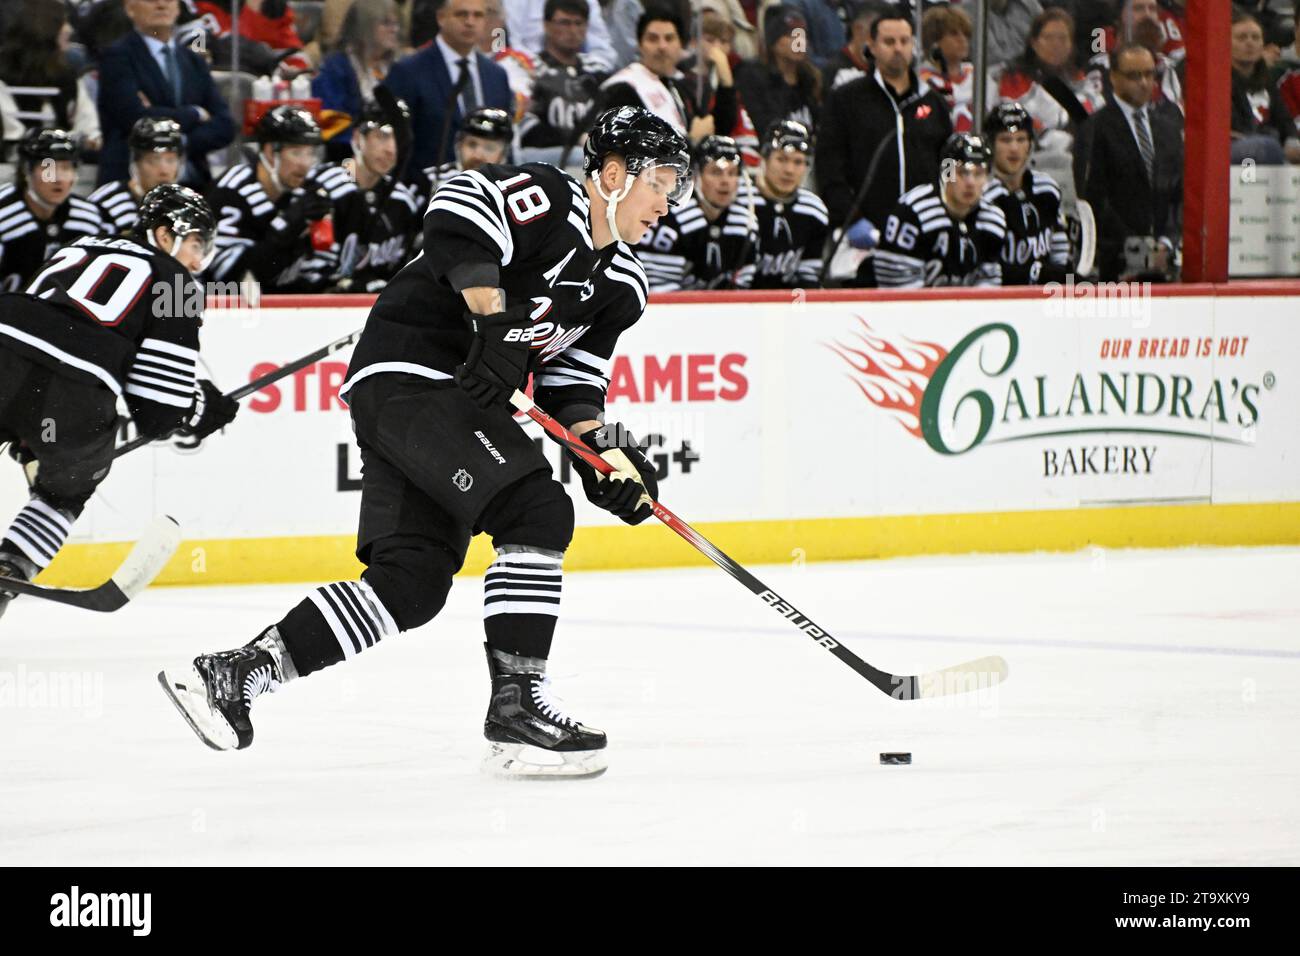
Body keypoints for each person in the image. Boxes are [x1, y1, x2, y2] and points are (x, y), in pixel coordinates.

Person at [158, 107, 691, 780]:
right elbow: (458, 206)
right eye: (661, 185)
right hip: (410, 375)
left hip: (438, 406)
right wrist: (492, 319)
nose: (667, 204)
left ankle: (240, 672)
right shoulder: (551, 198)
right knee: (537, 511)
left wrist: (606, 453)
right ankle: (518, 704)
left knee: (412, 585)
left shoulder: (621, 286)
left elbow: (572, 386)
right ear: (613, 176)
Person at [0, 184, 237, 621]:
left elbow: (36, 328)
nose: (199, 260)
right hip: (73, 390)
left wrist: (28, 434)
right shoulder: (176, 282)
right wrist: (200, 409)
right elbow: (158, 411)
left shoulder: (80, 245)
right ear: (165, 236)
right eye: (196, 243)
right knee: (64, 491)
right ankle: (9, 567)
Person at [816, 6, 952, 235]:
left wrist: (948, 204)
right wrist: (850, 218)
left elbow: (948, 161)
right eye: (889, 42)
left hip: (925, 232)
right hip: (866, 235)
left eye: (904, 41)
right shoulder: (845, 100)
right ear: (872, 46)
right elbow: (829, 166)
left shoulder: (934, 102)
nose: (898, 48)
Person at [205, 105, 355, 293]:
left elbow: (320, 270)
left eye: (310, 153)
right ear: (269, 151)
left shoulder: (311, 190)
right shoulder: (230, 192)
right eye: (296, 152)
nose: (305, 164)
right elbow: (229, 279)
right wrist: (287, 226)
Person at [1072, 43, 1183, 281]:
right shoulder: (1094, 129)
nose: (1143, 82)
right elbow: (1094, 198)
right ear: (1113, 77)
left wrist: (1166, 242)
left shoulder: (1168, 128)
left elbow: (1179, 191)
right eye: (1133, 76)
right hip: (1115, 264)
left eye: (1148, 74)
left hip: (1165, 260)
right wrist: (1138, 248)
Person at [96, 0, 236, 187]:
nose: (161, 4)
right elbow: (135, 118)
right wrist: (195, 113)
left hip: (193, 184)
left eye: (169, 0)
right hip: (129, 183)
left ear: (178, 8)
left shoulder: (194, 61)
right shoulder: (117, 57)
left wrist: (180, 143)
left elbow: (225, 125)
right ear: (130, 8)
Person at [380, 0, 514, 171]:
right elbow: (394, 139)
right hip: (426, 188)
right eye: (462, 14)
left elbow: (504, 141)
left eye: (478, 15)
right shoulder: (408, 72)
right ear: (441, 17)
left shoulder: (496, 75)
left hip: (486, 188)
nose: (470, 22)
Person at [868, 132, 1006, 288]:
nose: (970, 182)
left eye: (979, 173)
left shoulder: (993, 219)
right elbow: (897, 290)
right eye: (962, 173)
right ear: (946, 172)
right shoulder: (913, 212)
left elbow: (989, 287)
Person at [634, 133, 757, 289]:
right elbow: (660, 291)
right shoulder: (668, 219)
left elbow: (742, 287)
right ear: (696, 176)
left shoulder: (746, 224)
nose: (725, 181)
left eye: (732, 173)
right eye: (716, 172)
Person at [599, 8, 738, 146]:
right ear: (640, 45)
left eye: (669, 38)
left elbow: (720, 128)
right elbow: (636, 153)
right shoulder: (623, 89)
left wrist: (726, 80)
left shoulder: (678, 86)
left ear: (680, 46)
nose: (662, 46)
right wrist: (691, 141)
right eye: (653, 39)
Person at [0, 129, 113, 293]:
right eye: (48, 168)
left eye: (66, 168)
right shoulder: (4, 215)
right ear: (26, 170)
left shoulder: (91, 218)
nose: (58, 178)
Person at [990, 7, 1106, 159]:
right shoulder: (1013, 78)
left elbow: (1099, 116)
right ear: (1034, 42)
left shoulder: (1080, 79)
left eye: (1063, 38)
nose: (1056, 44)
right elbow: (1017, 120)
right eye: (1049, 38)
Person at [333, 97, 422, 292]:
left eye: (398, 138)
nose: (391, 149)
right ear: (357, 138)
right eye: (382, 136)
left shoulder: (403, 201)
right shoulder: (328, 190)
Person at [980, 103, 1070, 285]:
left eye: (1021, 139)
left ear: (1030, 144)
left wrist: (1057, 278)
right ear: (990, 144)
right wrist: (1036, 274)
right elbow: (984, 266)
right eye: (1005, 140)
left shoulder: (1047, 188)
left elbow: (1059, 248)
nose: (1014, 148)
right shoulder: (981, 196)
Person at [0, 0, 101, 150]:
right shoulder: (4, 76)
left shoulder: (68, 77)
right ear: (45, 28)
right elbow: (12, 134)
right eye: (63, 22)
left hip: (63, 164)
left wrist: (90, 140)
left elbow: (88, 127)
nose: (69, 29)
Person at [313, 0, 404, 162]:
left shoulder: (399, 67)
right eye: (386, 23)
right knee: (351, 181)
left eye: (396, 24)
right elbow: (332, 125)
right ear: (364, 27)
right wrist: (366, 146)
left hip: (391, 156)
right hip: (347, 159)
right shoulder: (336, 68)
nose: (394, 30)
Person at [519, 0, 613, 151]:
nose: (572, 30)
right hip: (546, 154)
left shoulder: (598, 72)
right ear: (546, 25)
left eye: (578, 23)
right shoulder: (530, 70)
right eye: (564, 23)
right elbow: (526, 127)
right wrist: (576, 139)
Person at [747, 119, 827, 289]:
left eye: (798, 162)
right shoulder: (741, 203)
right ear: (764, 159)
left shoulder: (814, 211)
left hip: (790, 309)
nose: (789, 170)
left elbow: (809, 277)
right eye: (782, 159)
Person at [733, 5, 823, 139]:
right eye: (790, 35)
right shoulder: (753, 77)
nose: (799, 42)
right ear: (773, 41)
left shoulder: (811, 80)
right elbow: (762, 128)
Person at [88, 117, 184, 235]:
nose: (164, 170)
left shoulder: (185, 206)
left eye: (171, 160)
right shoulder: (105, 203)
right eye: (153, 160)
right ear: (136, 163)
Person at [1231, 8, 1300, 164]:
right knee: (1267, 146)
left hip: (1270, 146)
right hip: (1238, 149)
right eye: (1241, 38)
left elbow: (1284, 119)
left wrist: (1292, 140)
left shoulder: (1266, 79)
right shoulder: (1220, 81)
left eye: (1255, 38)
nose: (1249, 43)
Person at [420, 106, 514, 198]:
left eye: (489, 148)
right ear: (459, 144)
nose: (478, 155)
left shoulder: (516, 189)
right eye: (471, 144)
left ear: (504, 153)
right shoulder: (430, 181)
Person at [918, 4, 975, 133]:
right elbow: (920, 118)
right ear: (934, 41)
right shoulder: (922, 81)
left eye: (965, 34)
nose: (963, 40)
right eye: (954, 34)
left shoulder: (977, 76)